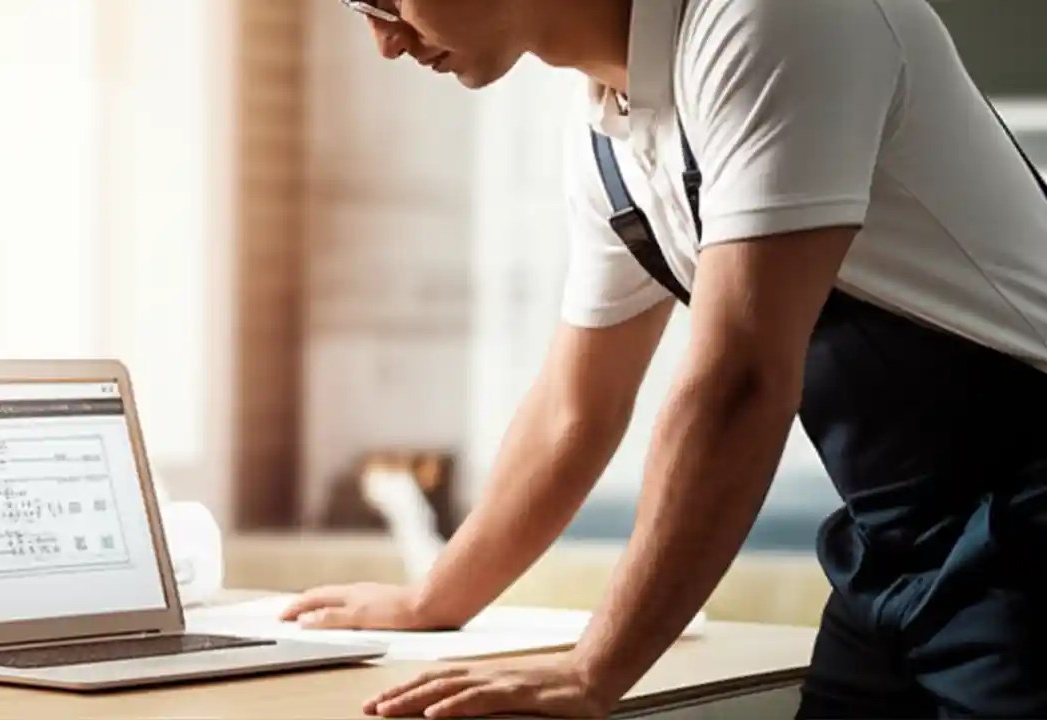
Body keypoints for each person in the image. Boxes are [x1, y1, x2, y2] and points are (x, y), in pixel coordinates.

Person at [282, 1, 1047, 717]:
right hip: (895, 548)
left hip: (1026, 528)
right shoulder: (610, 134)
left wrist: (593, 671)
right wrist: (432, 602)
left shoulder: (774, 21)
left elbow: (739, 383)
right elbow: (575, 411)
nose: (385, 40)